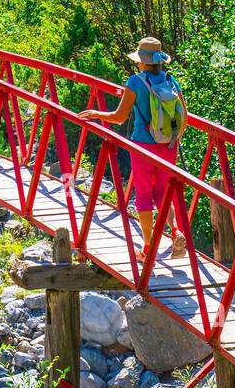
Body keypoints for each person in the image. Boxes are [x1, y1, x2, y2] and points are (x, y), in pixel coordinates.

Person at [79, 36, 188, 264]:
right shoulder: (171, 80)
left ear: (141, 61)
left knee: (145, 196)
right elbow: (184, 115)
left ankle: (148, 248)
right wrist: (173, 139)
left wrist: (97, 114)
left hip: (143, 146)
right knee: (163, 192)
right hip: (169, 146)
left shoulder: (136, 82)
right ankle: (176, 230)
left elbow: (120, 117)